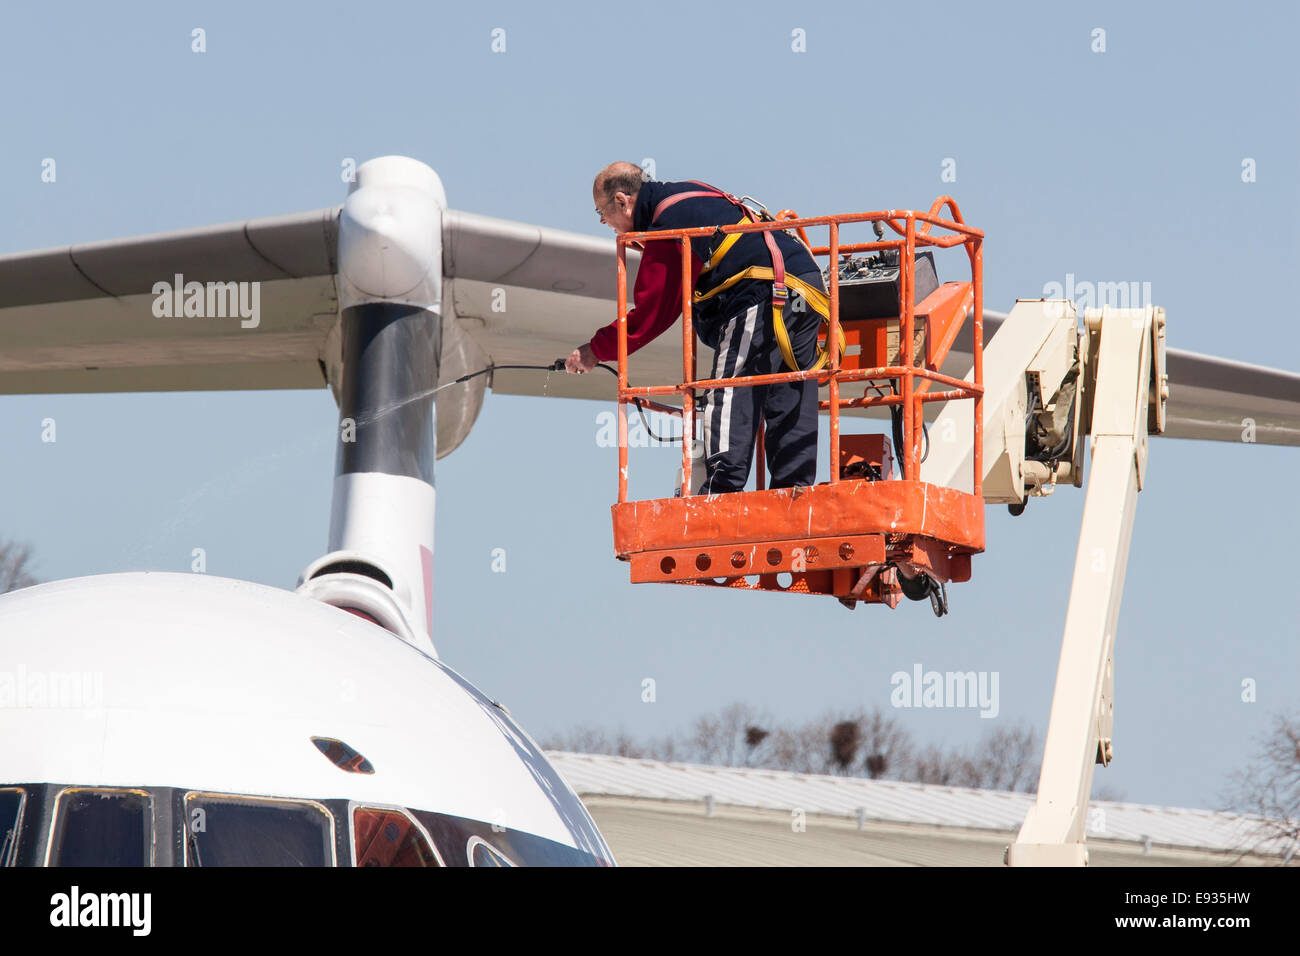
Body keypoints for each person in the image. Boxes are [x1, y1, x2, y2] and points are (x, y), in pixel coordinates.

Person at [567, 162, 829, 494]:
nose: (607, 225)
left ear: (622, 201)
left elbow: (653, 314)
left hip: (762, 291)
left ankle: (720, 489)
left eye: (602, 214)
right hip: (803, 286)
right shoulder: (683, 195)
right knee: (788, 385)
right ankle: (794, 491)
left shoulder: (667, 225)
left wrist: (594, 350)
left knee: (731, 385)